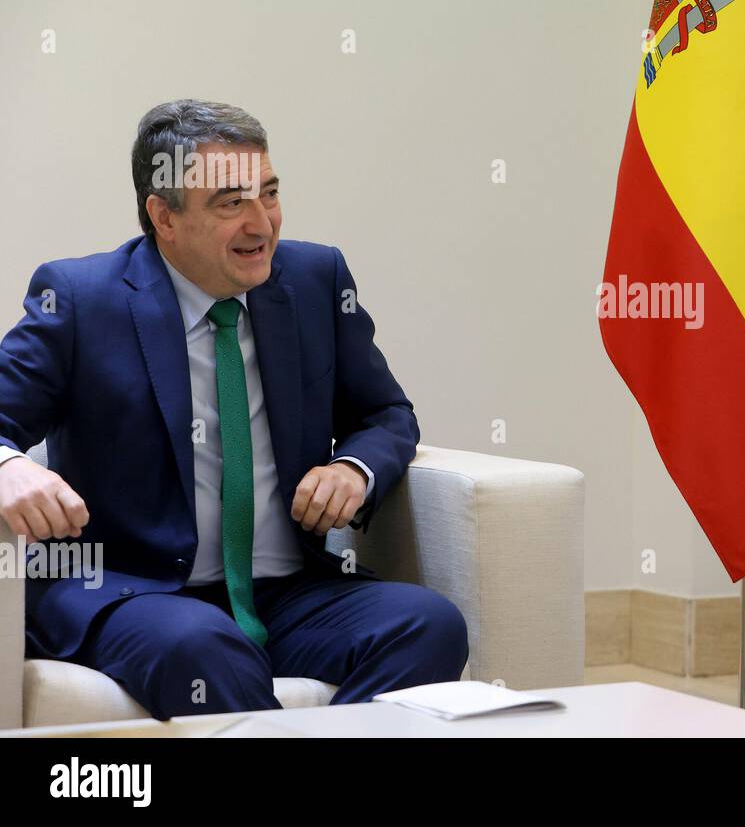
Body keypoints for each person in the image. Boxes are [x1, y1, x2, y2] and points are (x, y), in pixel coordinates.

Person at [0, 100, 467, 720]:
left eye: (269, 194)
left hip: (288, 590)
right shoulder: (82, 299)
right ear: (163, 217)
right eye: (231, 203)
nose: (262, 224)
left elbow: (386, 414)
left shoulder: (314, 279)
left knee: (428, 623)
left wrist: (354, 467)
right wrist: (7, 464)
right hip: (132, 590)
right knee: (204, 648)